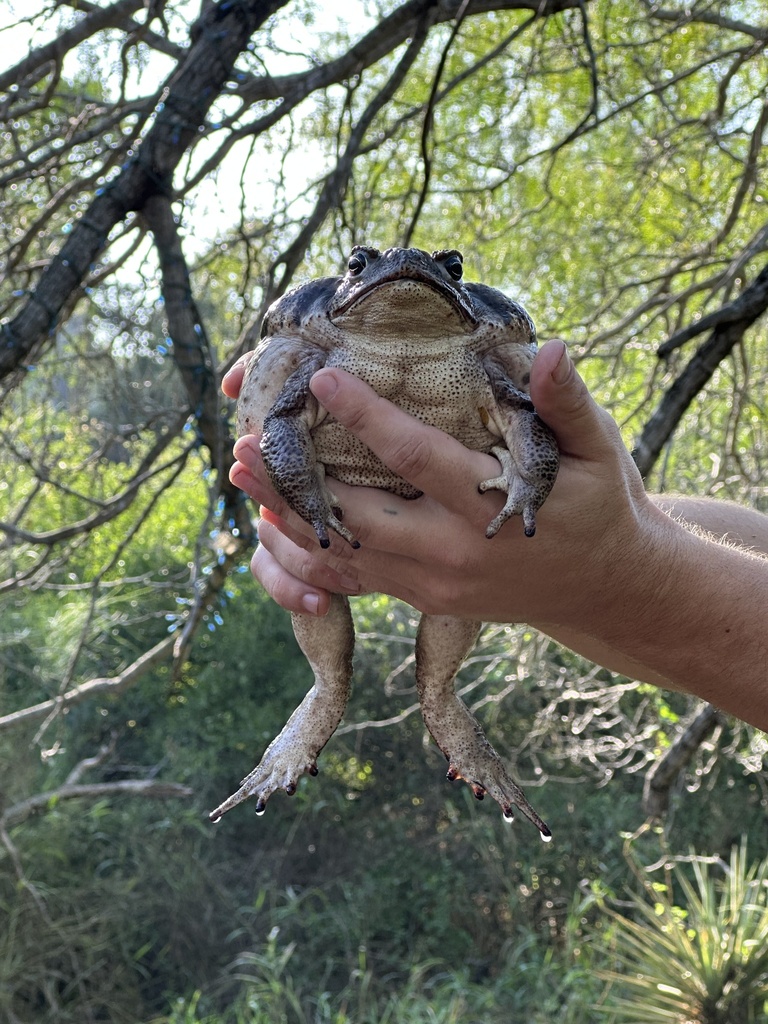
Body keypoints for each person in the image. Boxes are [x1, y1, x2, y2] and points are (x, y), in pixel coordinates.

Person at [221, 339, 768, 731]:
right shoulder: (313, 337)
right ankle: (331, 695)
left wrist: (613, 565)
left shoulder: (484, 349)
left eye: (450, 271)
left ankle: (430, 701)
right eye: (363, 268)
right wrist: (606, 544)